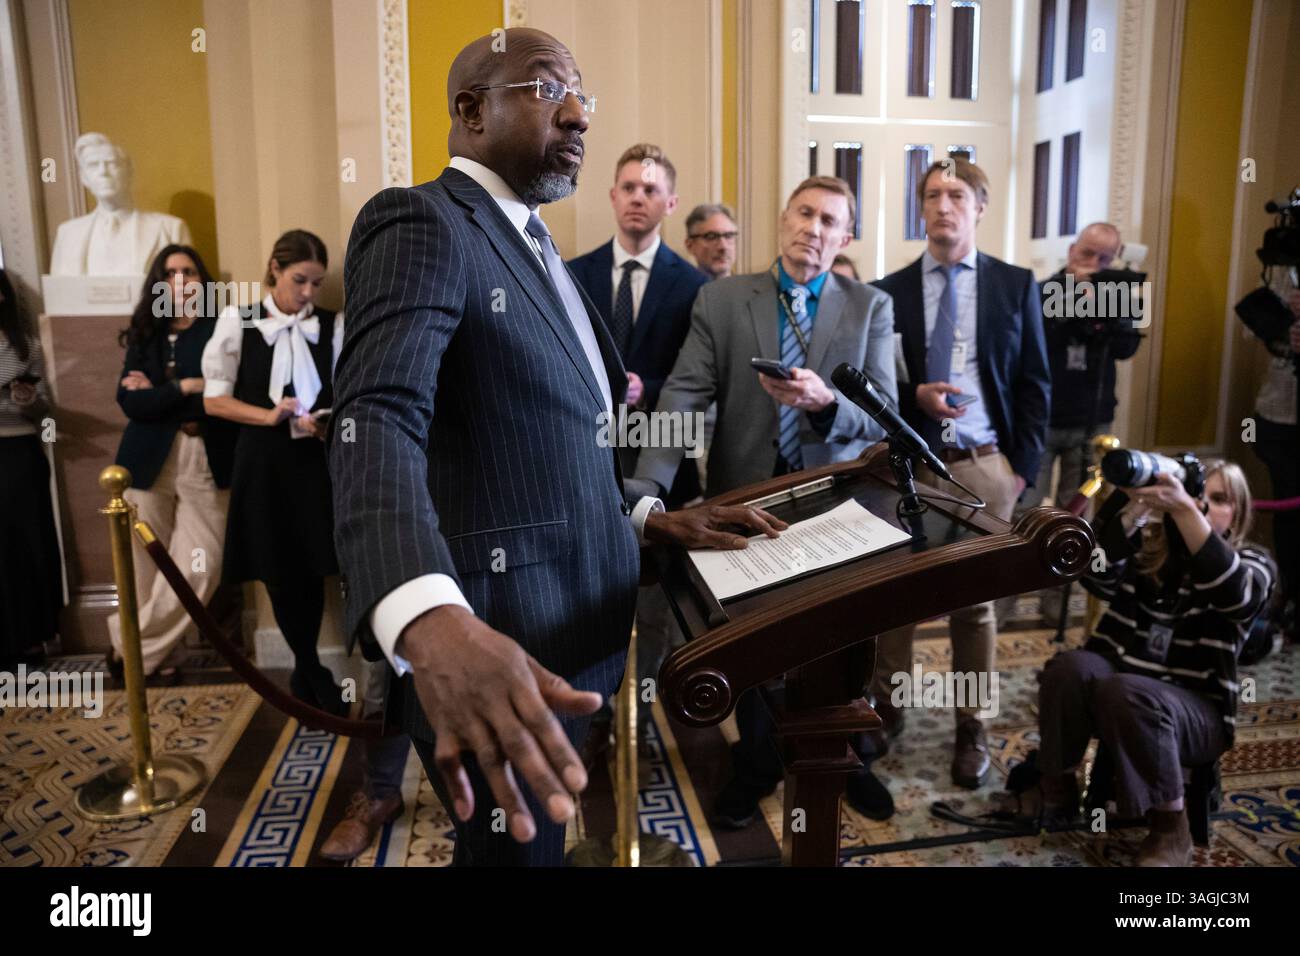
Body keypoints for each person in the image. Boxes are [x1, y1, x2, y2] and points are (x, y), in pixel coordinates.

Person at [330, 27, 783, 867]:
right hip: (494, 648)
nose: (577, 115)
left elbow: (550, 442)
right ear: (470, 110)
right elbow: (376, 420)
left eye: (583, 97)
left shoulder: (538, 250)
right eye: (546, 90)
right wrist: (427, 620)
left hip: (578, 630)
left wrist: (648, 516)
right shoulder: (423, 221)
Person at [632, 174, 898, 829]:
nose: (814, 228)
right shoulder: (722, 300)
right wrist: (647, 491)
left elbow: (885, 415)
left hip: (838, 505)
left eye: (830, 220)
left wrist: (829, 403)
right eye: (804, 213)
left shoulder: (869, 307)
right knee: (756, 638)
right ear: (783, 219)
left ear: (846, 237)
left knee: (839, 637)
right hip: (744, 499)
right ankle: (754, 764)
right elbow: (683, 397)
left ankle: (843, 756)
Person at [868, 158, 1050, 788]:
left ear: (979, 206)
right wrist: (912, 393)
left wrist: (1020, 472)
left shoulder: (1014, 284)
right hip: (911, 468)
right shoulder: (887, 290)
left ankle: (971, 723)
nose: (944, 205)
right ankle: (886, 706)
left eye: (957, 194)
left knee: (975, 606)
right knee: (896, 597)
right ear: (921, 209)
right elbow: (876, 382)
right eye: (933, 195)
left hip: (985, 466)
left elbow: (1035, 382)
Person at [1030, 460, 1274, 866]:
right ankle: (1056, 789)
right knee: (1069, 669)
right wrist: (1134, 511)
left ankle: (1170, 827)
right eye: (1200, 496)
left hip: (1197, 713)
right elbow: (1095, 576)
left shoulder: (1255, 562)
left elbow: (1236, 595)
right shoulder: (1150, 550)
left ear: (1240, 513)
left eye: (1218, 500)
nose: (1204, 505)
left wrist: (1184, 510)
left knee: (1126, 691)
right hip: (1124, 688)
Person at [202, 229, 347, 716]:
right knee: (277, 570)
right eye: (300, 280)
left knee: (315, 565)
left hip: (316, 463)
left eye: (317, 283)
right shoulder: (236, 320)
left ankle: (310, 674)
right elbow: (214, 400)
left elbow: (347, 390)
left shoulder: (334, 324)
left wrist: (324, 420)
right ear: (274, 270)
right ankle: (311, 669)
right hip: (263, 462)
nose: (308, 293)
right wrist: (269, 416)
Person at [106, 245, 237, 682]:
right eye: (171, 273)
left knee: (202, 563)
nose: (181, 280)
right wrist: (185, 387)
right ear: (159, 283)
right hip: (144, 461)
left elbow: (224, 396)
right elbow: (130, 402)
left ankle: (126, 645)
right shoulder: (146, 332)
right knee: (144, 567)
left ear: (203, 279)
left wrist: (160, 392)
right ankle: (149, 661)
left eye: (190, 271)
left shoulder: (223, 325)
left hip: (206, 457)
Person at [568, 142, 709, 505]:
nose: (637, 198)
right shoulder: (573, 275)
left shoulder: (696, 286)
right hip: (588, 449)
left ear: (671, 203)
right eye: (629, 188)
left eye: (651, 190)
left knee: (667, 562)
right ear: (614, 196)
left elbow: (702, 380)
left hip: (666, 451)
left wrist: (645, 389)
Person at [0, 269, 63, 671]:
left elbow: (46, 411)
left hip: (20, 449)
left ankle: (31, 636)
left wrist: (28, 400)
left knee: (27, 543)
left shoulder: (26, 349)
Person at [50, 132, 192, 276]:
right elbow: (57, 294)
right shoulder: (67, 234)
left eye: (112, 163)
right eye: (93, 165)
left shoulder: (170, 229)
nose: (103, 172)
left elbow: (187, 292)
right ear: (84, 178)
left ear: (129, 171)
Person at [683, 203, 739, 280]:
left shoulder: (749, 290)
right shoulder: (677, 290)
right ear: (690, 246)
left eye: (728, 236)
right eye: (711, 237)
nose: (723, 247)